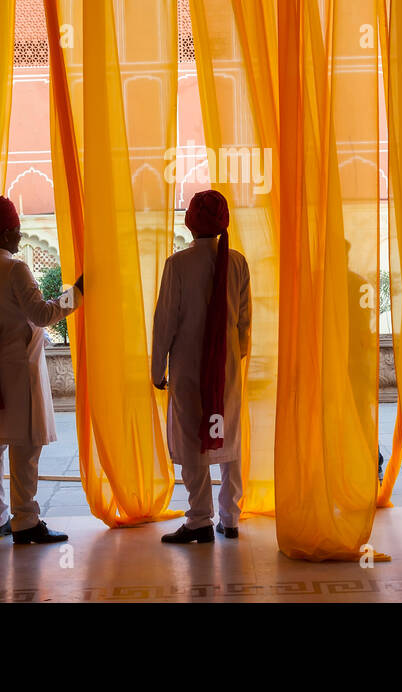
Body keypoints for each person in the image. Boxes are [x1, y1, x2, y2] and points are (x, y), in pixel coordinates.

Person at [0, 195, 82, 545]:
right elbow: (41, 314)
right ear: (7, 234)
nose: (21, 236)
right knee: (25, 445)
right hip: (19, 369)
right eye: (18, 229)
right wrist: (76, 295)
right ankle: (25, 520)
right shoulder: (13, 268)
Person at [151, 190, 251, 544]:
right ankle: (231, 518)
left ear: (190, 222)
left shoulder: (178, 264)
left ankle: (199, 521)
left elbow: (165, 322)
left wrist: (157, 370)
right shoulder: (237, 262)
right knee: (228, 437)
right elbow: (244, 322)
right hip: (225, 372)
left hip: (189, 371)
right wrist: (228, 364)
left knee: (194, 442)